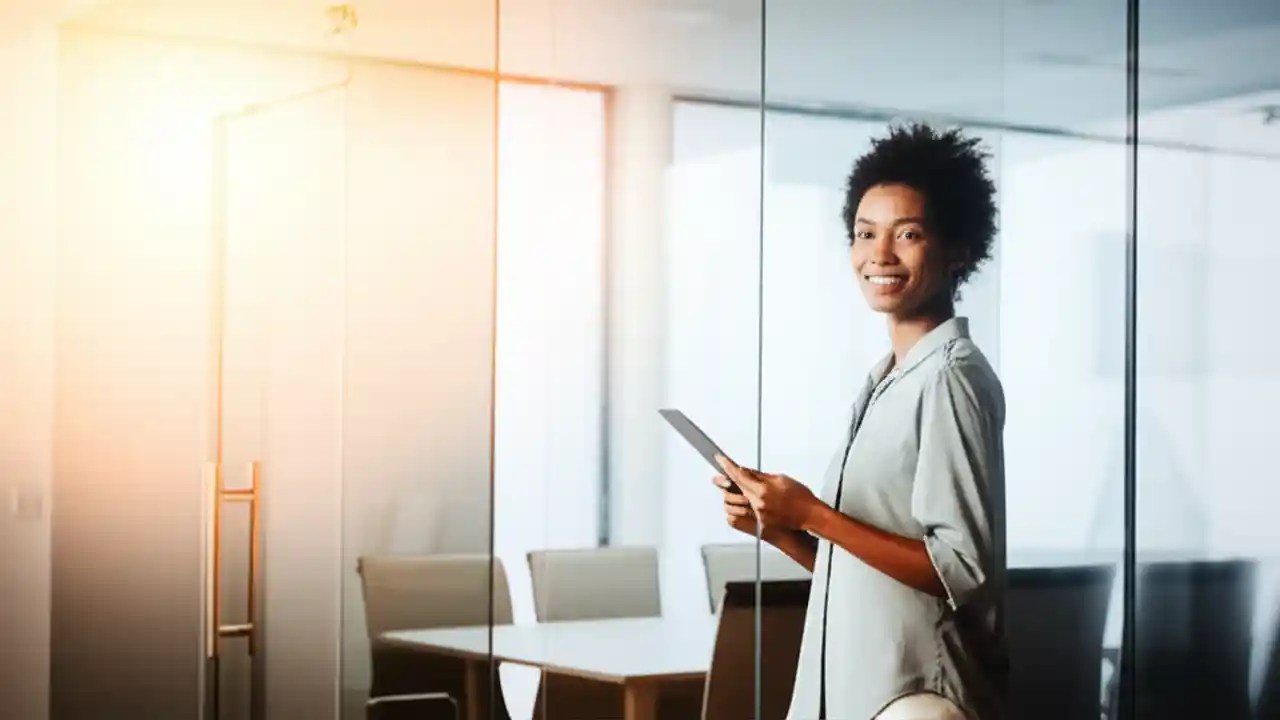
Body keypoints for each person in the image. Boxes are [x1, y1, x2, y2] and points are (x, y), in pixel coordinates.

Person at [713, 123, 1006, 720]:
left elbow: (962, 569)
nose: (879, 254)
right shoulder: (885, 384)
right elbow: (867, 575)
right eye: (865, 233)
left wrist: (813, 513)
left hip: (915, 701)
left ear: (958, 250)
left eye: (908, 234)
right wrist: (783, 530)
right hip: (861, 692)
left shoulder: (949, 377)